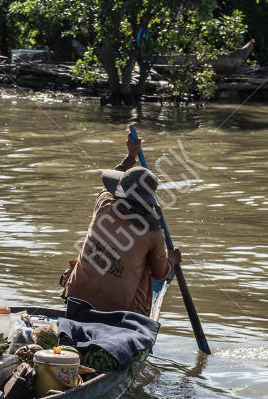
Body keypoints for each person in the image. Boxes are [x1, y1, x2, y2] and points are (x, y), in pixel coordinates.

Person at [61, 133, 180, 317]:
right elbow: (160, 273)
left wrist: (131, 156)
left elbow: (109, 186)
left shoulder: (104, 205)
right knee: (147, 271)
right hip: (117, 310)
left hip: (75, 296)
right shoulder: (154, 233)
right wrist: (173, 258)